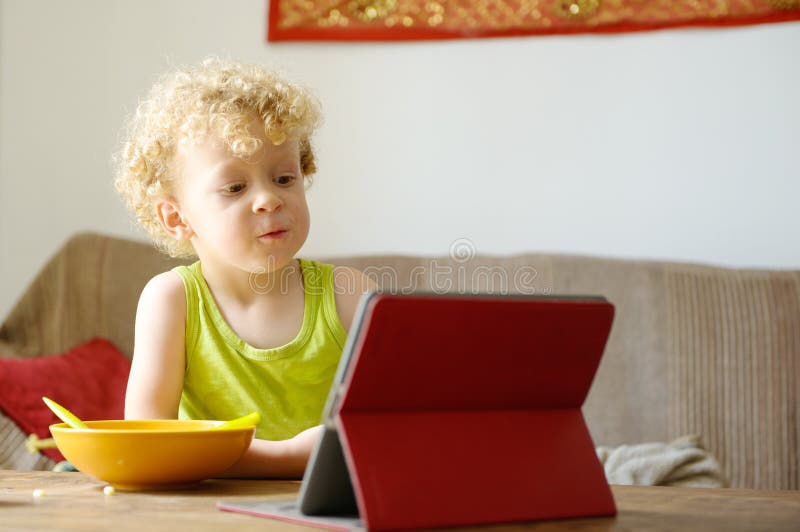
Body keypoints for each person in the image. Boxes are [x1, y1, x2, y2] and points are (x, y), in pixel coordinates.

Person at [114, 57, 375, 478]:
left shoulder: (348, 292)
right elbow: (146, 442)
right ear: (177, 218)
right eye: (235, 187)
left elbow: (392, 423)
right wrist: (285, 457)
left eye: (284, 179)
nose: (269, 199)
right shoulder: (172, 301)